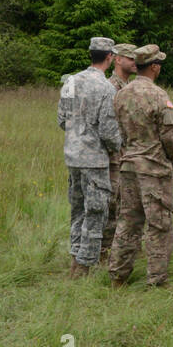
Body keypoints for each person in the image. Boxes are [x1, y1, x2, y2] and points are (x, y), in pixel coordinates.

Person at [109, 44, 173, 289]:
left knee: (127, 222)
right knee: (158, 225)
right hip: (153, 169)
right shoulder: (158, 95)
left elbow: (119, 132)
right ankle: (157, 280)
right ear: (154, 67)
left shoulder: (121, 94)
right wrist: (172, 160)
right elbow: (169, 135)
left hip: (128, 166)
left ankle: (118, 276)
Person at [57, 36, 122, 278]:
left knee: (77, 210)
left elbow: (62, 120)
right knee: (96, 212)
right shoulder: (106, 87)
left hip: (72, 156)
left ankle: (75, 257)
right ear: (110, 57)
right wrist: (118, 146)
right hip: (94, 160)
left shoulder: (71, 82)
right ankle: (83, 267)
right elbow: (108, 130)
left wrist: (77, 134)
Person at [101, 42, 137, 257]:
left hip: (129, 155)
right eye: (130, 58)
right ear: (117, 59)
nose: (134, 62)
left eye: (136, 59)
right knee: (113, 204)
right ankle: (106, 252)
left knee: (127, 204)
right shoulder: (111, 87)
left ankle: (123, 250)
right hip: (115, 157)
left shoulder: (130, 87)